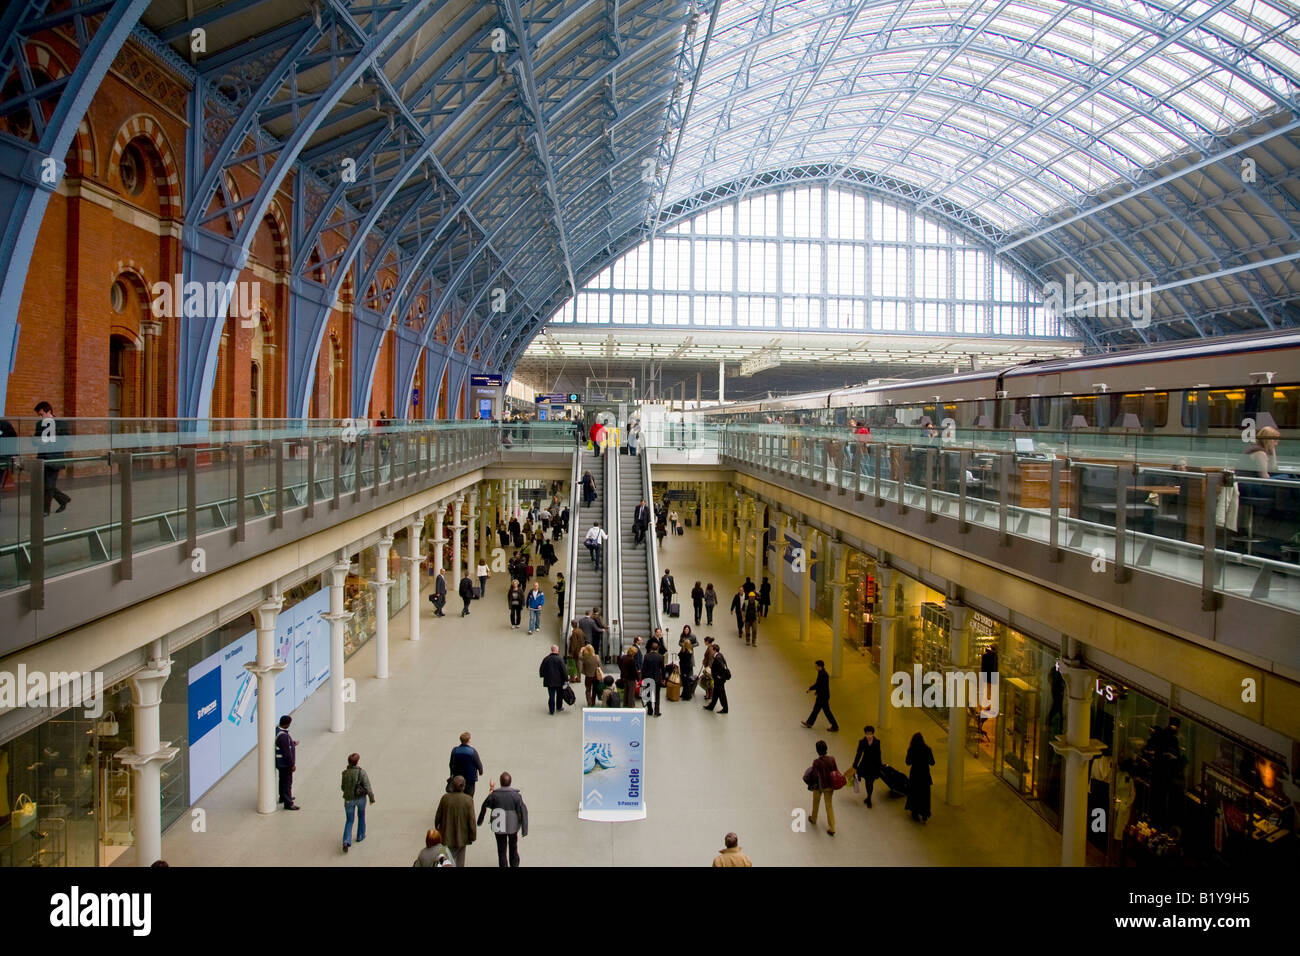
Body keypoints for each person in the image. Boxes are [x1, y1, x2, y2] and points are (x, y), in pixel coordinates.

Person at [477, 772, 528, 868]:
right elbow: (524, 811)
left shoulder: (494, 795)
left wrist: (480, 821)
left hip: (498, 825)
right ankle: (514, 864)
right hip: (513, 826)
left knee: (501, 849)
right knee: (513, 846)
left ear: (500, 782)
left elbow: (485, 805)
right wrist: (524, 829)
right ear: (510, 782)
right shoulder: (516, 795)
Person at [33, 401, 71, 515]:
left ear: (49, 411)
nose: (40, 417)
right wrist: (37, 442)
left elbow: (66, 440)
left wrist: (51, 441)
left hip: (55, 457)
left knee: (48, 485)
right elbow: (35, 440)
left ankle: (45, 510)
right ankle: (63, 499)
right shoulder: (39, 424)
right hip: (42, 457)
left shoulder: (61, 423)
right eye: (39, 415)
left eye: (41, 414)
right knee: (46, 485)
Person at [434, 776, 477, 867]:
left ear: (452, 786)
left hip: (446, 836)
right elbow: (472, 821)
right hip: (462, 837)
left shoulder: (445, 798)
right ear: (464, 786)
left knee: (446, 860)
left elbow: (438, 817)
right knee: (460, 861)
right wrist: (472, 836)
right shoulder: (468, 800)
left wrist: (437, 830)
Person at [340, 752, 374, 853]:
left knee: (349, 820)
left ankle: (346, 841)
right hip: (360, 798)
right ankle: (360, 835)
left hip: (348, 800)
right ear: (357, 762)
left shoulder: (345, 773)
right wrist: (371, 798)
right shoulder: (361, 772)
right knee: (361, 816)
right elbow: (367, 786)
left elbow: (343, 787)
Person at [807, 740, 839, 836]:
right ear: (826, 749)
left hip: (819, 786)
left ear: (817, 751)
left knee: (816, 802)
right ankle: (832, 827)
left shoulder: (817, 762)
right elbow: (836, 771)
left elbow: (814, 775)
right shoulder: (832, 759)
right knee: (829, 805)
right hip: (830, 786)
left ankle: (813, 818)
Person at [905, 732, 935, 822]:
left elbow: (908, 762)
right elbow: (932, 762)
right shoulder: (927, 749)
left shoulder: (911, 750)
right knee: (924, 794)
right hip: (924, 775)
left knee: (915, 793)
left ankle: (915, 811)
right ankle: (924, 812)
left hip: (915, 775)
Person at [802, 659, 839, 732]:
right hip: (823, 695)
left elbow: (818, 684)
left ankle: (834, 726)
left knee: (822, 711)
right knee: (819, 710)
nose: (815, 667)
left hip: (823, 696)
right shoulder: (821, 673)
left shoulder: (823, 675)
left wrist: (810, 688)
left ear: (820, 666)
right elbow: (821, 685)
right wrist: (817, 691)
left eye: (816, 666)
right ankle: (810, 723)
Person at [853, 726, 883, 807]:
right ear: (865, 734)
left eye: (870, 734)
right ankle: (868, 797)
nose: (869, 736)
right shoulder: (862, 742)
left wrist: (880, 766)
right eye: (867, 734)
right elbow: (859, 754)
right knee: (865, 780)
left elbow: (878, 754)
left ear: (873, 734)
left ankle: (869, 798)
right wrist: (854, 765)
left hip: (873, 765)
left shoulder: (877, 742)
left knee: (869, 783)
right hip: (865, 764)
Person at [449, 732, 485, 797]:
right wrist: (480, 772)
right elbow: (479, 765)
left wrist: (451, 774)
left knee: (457, 798)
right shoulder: (472, 752)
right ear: (469, 740)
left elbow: (451, 764)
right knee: (469, 799)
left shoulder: (455, 750)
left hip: (457, 781)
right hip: (469, 782)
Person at [274, 715, 299, 810]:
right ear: (286, 724)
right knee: (287, 783)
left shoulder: (278, 731)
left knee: (282, 781)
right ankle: (288, 803)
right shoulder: (283, 736)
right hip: (285, 764)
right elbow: (286, 753)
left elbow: (284, 745)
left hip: (281, 764)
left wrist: (292, 743)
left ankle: (283, 797)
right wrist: (292, 764)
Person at [539, 645, 568, 714]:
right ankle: (559, 707)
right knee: (559, 695)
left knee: (551, 696)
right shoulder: (560, 659)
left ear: (551, 650)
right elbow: (564, 670)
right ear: (557, 650)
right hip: (559, 681)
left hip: (549, 681)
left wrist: (543, 675)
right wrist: (566, 679)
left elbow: (541, 669)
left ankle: (551, 710)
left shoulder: (546, 659)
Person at [642, 639, 665, 717]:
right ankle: (656, 711)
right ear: (657, 648)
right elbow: (662, 668)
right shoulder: (660, 657)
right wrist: (664, 678)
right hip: (657, 679)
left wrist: (642, 679)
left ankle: (650, 710)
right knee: (657, 695)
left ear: (650, 648)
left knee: (648, 695)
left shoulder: (646, 656)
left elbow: (644, 668)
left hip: (648, 678)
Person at [704, 647, 730, 713]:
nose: (711, 651)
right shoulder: (719, 655)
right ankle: (711, 706)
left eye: (711, 650)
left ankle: (725, 708)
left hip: (719, 680)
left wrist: (719, 676)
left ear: (715, 650)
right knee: (715, 693)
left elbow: (722, 668)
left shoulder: (718, 658)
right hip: (718, 679)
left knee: (722, 694)